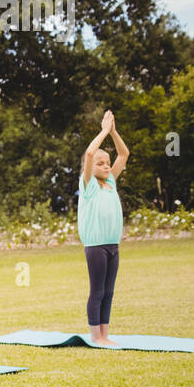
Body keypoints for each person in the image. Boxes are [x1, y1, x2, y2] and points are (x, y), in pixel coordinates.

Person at [79, 109, 129, 346]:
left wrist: (114, 131)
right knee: (97, 291)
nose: (106, 166)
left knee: (109, 292)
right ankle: (95, 337)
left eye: (107, 163)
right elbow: (90, 153)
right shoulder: (88, 185)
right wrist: (103, 131)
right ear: (92, 167)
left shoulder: (110, 182)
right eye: (101, 164)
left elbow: (124, 153)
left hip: (112, 244)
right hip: (96, 246)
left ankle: (105, 336)